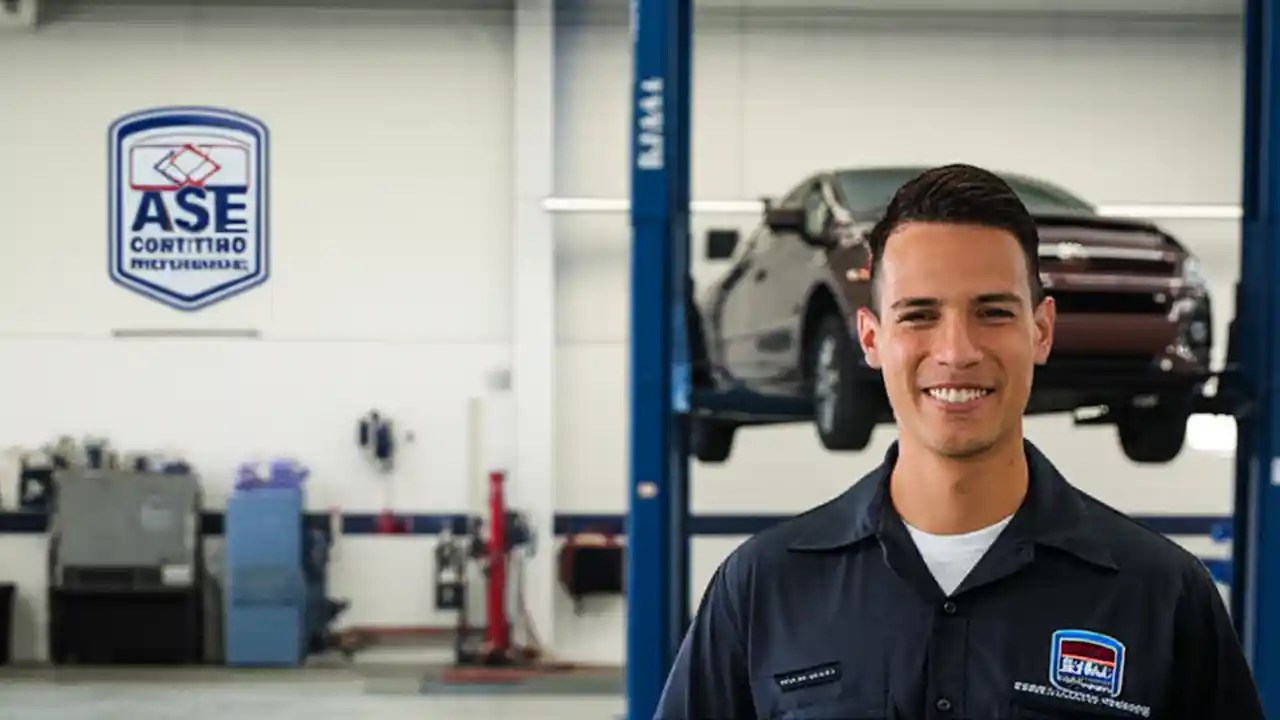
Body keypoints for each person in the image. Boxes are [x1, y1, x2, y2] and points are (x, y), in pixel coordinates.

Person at [654, 164, 1264, 719]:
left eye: (993, 313)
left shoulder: (1163, 597)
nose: (956, 352)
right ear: (870, 338)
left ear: (1042, 330)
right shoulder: (762, 590)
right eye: (919, 315)